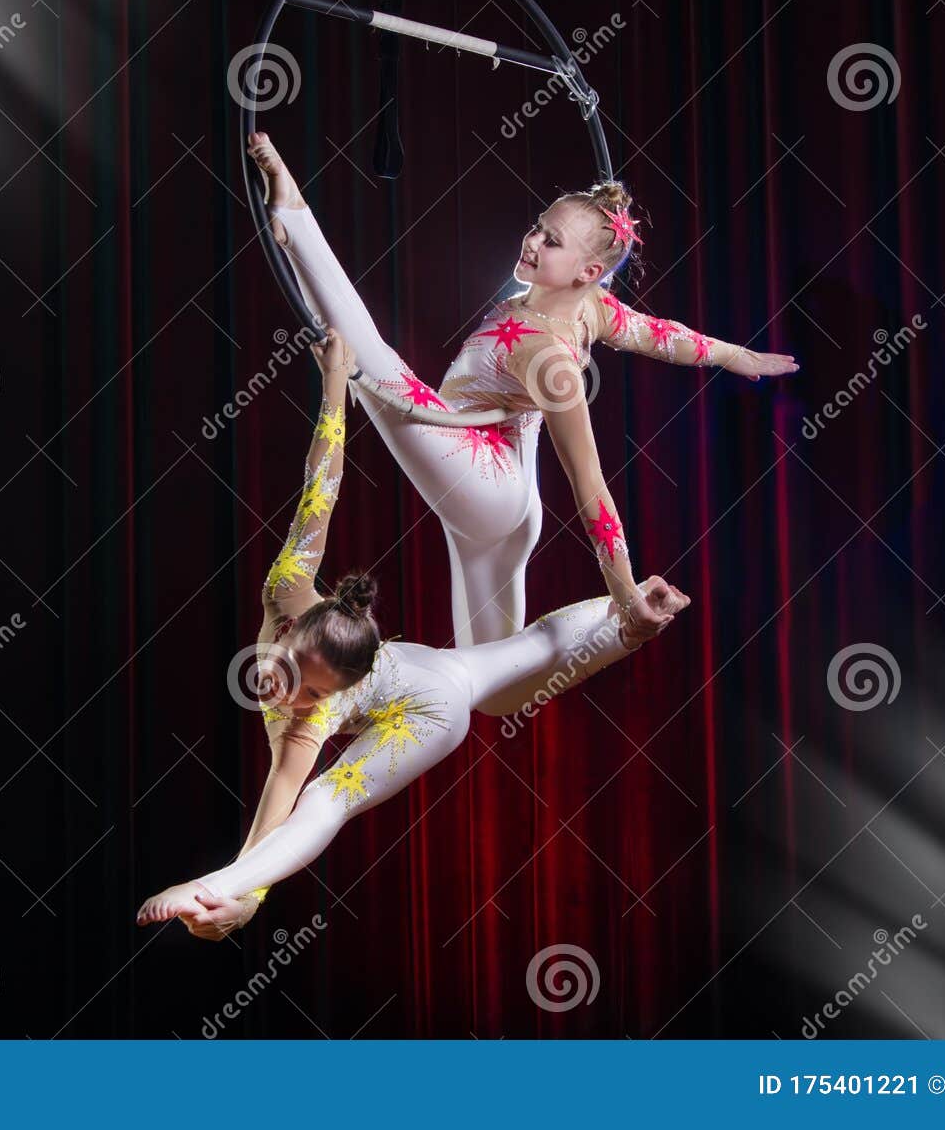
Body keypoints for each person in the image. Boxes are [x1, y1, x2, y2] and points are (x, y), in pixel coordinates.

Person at [136, 329, 688, 936]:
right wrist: (333, 383)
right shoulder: (288, 588)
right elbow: (322, 488)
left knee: (327, 798)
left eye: (314, 694)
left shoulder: (305, 723)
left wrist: (241, 894)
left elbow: (280, 807)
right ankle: (635, 612)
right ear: (291, 630)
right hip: (430, 665)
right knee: (526, 648)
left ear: (336, 692)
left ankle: (214, 886)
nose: (287, 694)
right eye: (290, 672)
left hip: (429, 712)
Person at [246, 130, 796, 647]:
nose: (532, 242)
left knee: (376, 366)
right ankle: (593, 638)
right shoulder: (593, 307)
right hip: (505, 507)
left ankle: (294, 218)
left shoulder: (550, 360)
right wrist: (735, 355)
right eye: (538, 227)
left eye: (551, 242)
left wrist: (625, 592)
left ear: (588, 271)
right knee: (492, 680)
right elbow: (662, 336)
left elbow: (590, 487)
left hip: (485, 482)